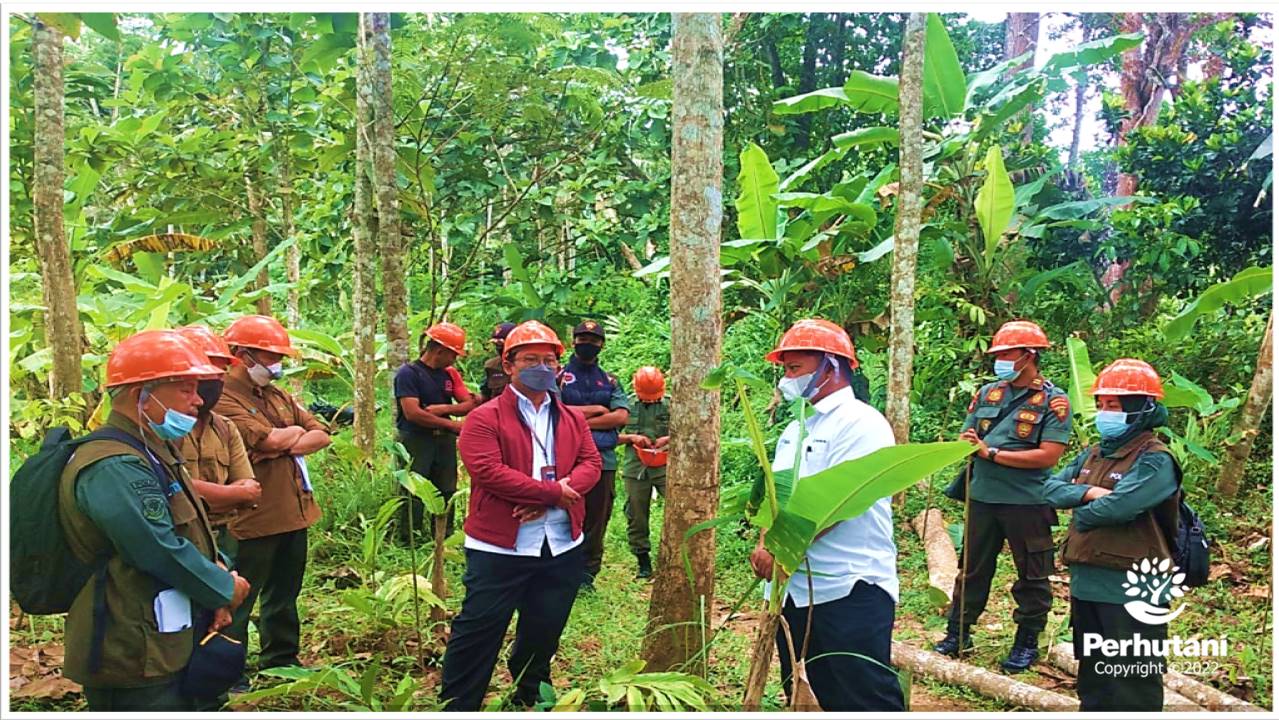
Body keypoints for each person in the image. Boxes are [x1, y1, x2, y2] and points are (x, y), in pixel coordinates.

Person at [58, 330, 250, 711]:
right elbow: (156, 548)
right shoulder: (114, 465)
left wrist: (219, 577)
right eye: (186, 389)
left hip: (165, 636)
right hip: (131, 646)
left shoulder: (153, 450)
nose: (198, 400)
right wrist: (223, 588)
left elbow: (191, 530)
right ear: (141, 393)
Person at [439, 320, 602, 711]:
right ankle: (459, 705)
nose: (541, 367)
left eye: (548, 360)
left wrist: (550, 499)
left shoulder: (571, 418)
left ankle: (530, 697)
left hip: (561, 543)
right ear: (508, 364)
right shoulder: (484, 418)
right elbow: (489, 472)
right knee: (479, 629)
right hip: (500, 546)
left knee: (545, 627)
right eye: (530, 359)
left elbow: (591, 463)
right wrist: (553, 493)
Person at [749, 319, 904, 711]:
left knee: (861, 695)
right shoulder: (797, 428)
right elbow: (778, 497)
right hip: (795, 591)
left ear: (831, 366)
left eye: (794, 369)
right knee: (806, 693)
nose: (786, 379)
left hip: (848, 586)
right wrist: (764, 540)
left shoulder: (861, 424)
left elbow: (836, 504)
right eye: (785, 369)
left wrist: (779, 549)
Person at [935, 320, 1072, 673]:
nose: (1000, 361)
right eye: (998, 355)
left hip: (1027, 501)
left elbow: (1049, 455)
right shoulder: (987, 394)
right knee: (973, 569)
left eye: (1007, 354)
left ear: (1029, 356)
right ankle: (957, 633)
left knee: (1033, 574)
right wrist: (966, 445)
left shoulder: (1053, 401)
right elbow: (968, 434)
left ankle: (1027, 641)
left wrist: (992, 454)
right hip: (982, 497)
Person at [1043, 359, 1179, 711]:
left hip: (1134, 585)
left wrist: (1082, 512)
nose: (1104, 413)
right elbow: (1049, 489)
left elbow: (1119, 508)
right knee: (1095, 677)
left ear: (1140, 409)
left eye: (1114, 406)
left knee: (1133, 679)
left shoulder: (1156, 459)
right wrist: (1089, 493)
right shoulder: (1093, 453)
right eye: (1101, 404)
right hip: (1087, 581)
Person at [216, 315, 331, 678]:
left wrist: (283, 442)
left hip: (295, 510)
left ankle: (281, 660)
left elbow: (321, 433)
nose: (275, 364)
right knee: (239, 596)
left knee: (284, 593)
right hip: (254, 515)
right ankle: (228, 671)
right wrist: (282, 441)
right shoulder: (220, 397)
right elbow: (265, 439)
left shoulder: (277, 394)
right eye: (267, 356)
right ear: (241, 355)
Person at [175, 325, 260, 561]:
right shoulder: (166, 428)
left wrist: (208, 494)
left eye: (221, 373)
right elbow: (172, 487)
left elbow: (250, 491)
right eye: (208, 373)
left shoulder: (225, 427)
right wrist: (232, 494)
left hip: (224, 535)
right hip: (183, 535)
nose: (216, 381)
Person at [557, 320, 629, 591]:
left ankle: (587, 576)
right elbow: (554, 412)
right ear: (573, 341)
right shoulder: (559, 376)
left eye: (594, 340)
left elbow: (621, 415)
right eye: (582, 338)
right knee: (563, 513)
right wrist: (599, 410)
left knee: (597, 517)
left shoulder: (610, 380)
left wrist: (575, 418)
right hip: (566, 458)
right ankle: (562, 571)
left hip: (603, 460)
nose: (588, 343)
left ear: (602, 344)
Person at [394, 322, 479, 540]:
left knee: (446, 489)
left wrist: (444, 409)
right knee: (413, 488)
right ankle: (409, 538)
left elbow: (467, 403)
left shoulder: (449, 374)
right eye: (453, 355)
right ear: (440, 351)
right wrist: (451, 424)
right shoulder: (408, 374)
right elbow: (413, 413)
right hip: (415, 439)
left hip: (443, 441)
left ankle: (442, 536)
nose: (455, 360)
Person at [617, 366, 670, 579]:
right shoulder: (625, 406)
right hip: (635, 468)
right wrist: (632, 438)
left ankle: (675, 556)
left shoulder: (671, 404)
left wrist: (670, 439)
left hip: (665, 466)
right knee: (636, 514)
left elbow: (689, 430)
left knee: (678, 509)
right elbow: (609, 436)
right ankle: (643, 562)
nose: (649, 401)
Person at [480, 322, 517, 403]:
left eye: (501, 343)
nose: (498, 347)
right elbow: (484, 396)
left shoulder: (528, 365)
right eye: (496, 344)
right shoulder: (491, 366)